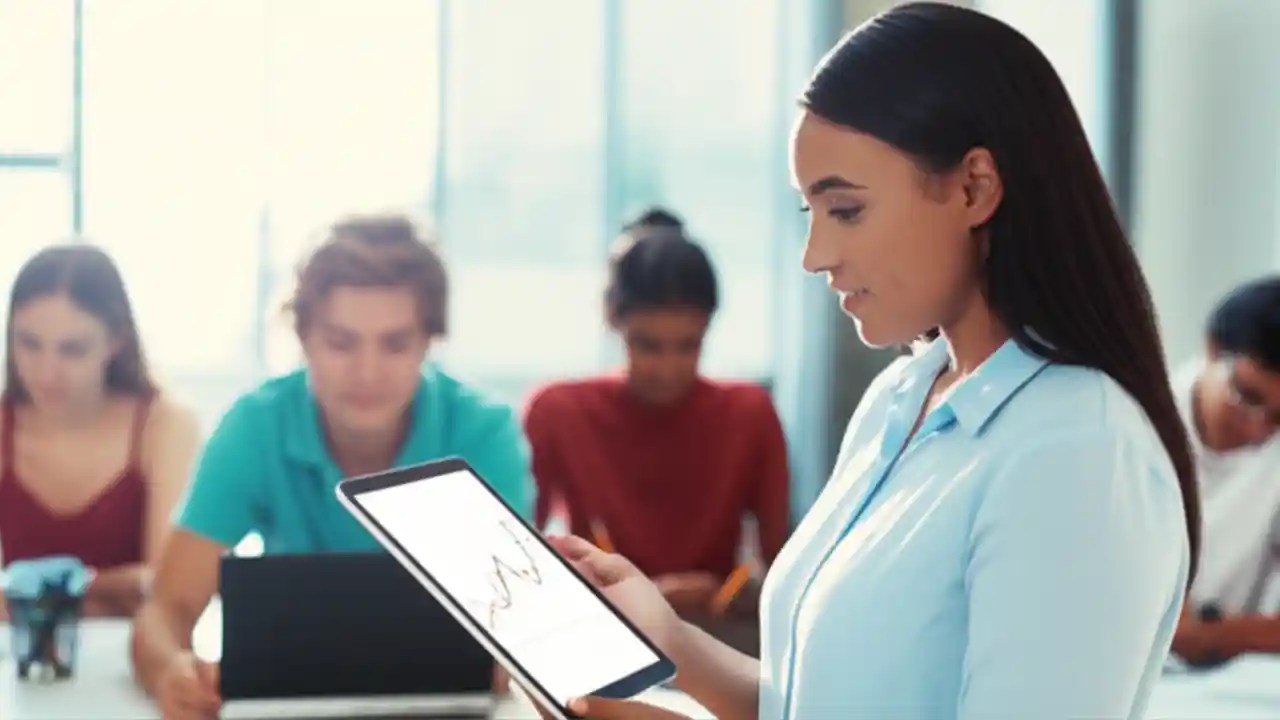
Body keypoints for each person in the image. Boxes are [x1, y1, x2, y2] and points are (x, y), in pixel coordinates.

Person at [535, 4, 1200, 719]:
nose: (815, 255)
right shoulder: (904, 396)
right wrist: (669, 639)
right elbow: (811, 704)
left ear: (975, 187)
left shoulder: (1077, 451)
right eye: (808, 214)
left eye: (845, 210)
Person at [130, 215, 534, 720]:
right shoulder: (256, 427)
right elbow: (166, 608)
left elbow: (521, 621)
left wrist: (512, 654)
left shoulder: (483, 433)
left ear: (429, 341)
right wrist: (172, 669)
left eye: (394, 344)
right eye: (342, 343)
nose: (367, 372)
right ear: (302, 337)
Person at [524, 207, 789, 618]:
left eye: (688, 346)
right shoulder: (558, 411)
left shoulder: (749, 413)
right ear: (613, 321)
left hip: (716, 629)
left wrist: (729, 591)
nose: (668, 370)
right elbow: (521, 563)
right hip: (603, 628)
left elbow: (785, 569)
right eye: (648, 346)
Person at [0, 244, 200, 619]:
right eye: (29, 344)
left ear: (115, 342)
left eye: (72, 350)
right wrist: (110, 590)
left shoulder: (164, 425)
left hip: (136, 661)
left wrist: (30, 595)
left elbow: (169, 588)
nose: (46, 373)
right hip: (23, 666)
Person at [1171, 277, 1280, 666]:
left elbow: (1182, 634)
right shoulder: (1134, 427)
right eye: (1248, 398)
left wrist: (1207, 634)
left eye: (1278, 419)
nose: (1258, 429)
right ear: (1213, 350)